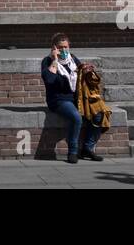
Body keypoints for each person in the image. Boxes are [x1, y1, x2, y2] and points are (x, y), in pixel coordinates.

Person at [40, 33, 108, 163]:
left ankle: (88, 148)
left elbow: (80, 74)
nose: (64, 50)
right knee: (76, 117)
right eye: (60, 47)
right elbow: (49, 80)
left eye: (66, 47)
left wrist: (87, 70)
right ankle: (73, 151)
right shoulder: (47, 61)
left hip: (76, 98)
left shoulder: (72, 59)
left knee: (99, 113)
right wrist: (55, 59)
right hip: (59, 100)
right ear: (54, 48)